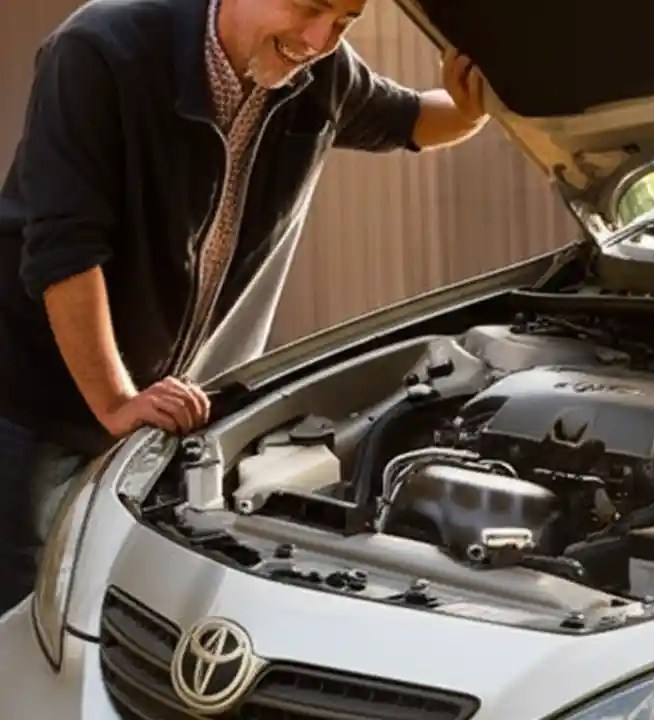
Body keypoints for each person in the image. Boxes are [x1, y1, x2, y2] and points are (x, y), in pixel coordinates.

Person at [0, 0, 491, 615]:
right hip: (29, 405)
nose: (319, 39)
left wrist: (471, 108)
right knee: (19, 620)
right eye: (310, 7)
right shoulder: (100, 49)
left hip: (160, 416)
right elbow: (64, 249)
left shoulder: (322, 74)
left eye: (343, 20)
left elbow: (414, 120)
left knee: (114, 620)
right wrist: (115, 400)